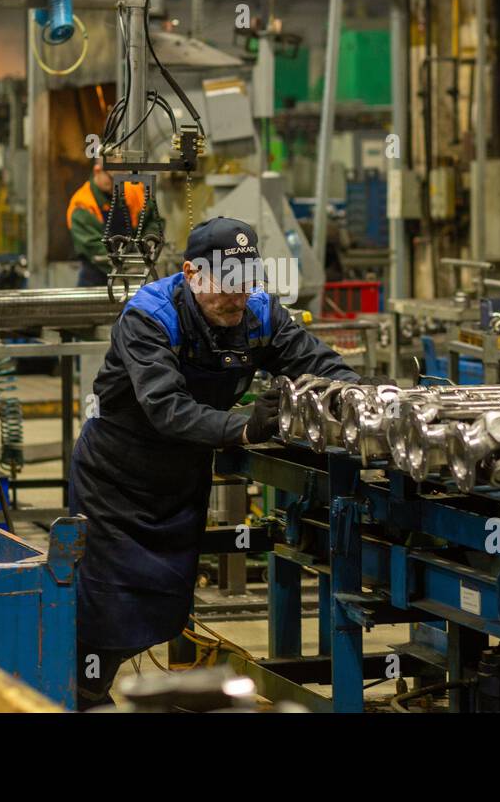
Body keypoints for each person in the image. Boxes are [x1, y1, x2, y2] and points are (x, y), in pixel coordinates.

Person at [67, 217, 372, 708]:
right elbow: (166, 408)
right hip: (117, 482)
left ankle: (94, 687)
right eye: (224, 286)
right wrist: (245, 427)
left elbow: (318, 362)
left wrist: (361, 395)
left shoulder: (258, 313)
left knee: (164, 601)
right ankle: (80, 691)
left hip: (180, 479)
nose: (235, 297)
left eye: (245, 283)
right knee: (106, 604)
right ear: (190, 273)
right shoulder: (148, 316)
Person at [65, 162, 162, 287]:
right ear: (97, 170)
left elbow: (152, 220)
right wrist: (125, 266)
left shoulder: (134, 190)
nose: (118, 185)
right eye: (113, 179)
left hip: (134, 271)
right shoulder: (82, 205)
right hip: (97, 277)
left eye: (121, 180)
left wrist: (148, 243)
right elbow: (94, 247)